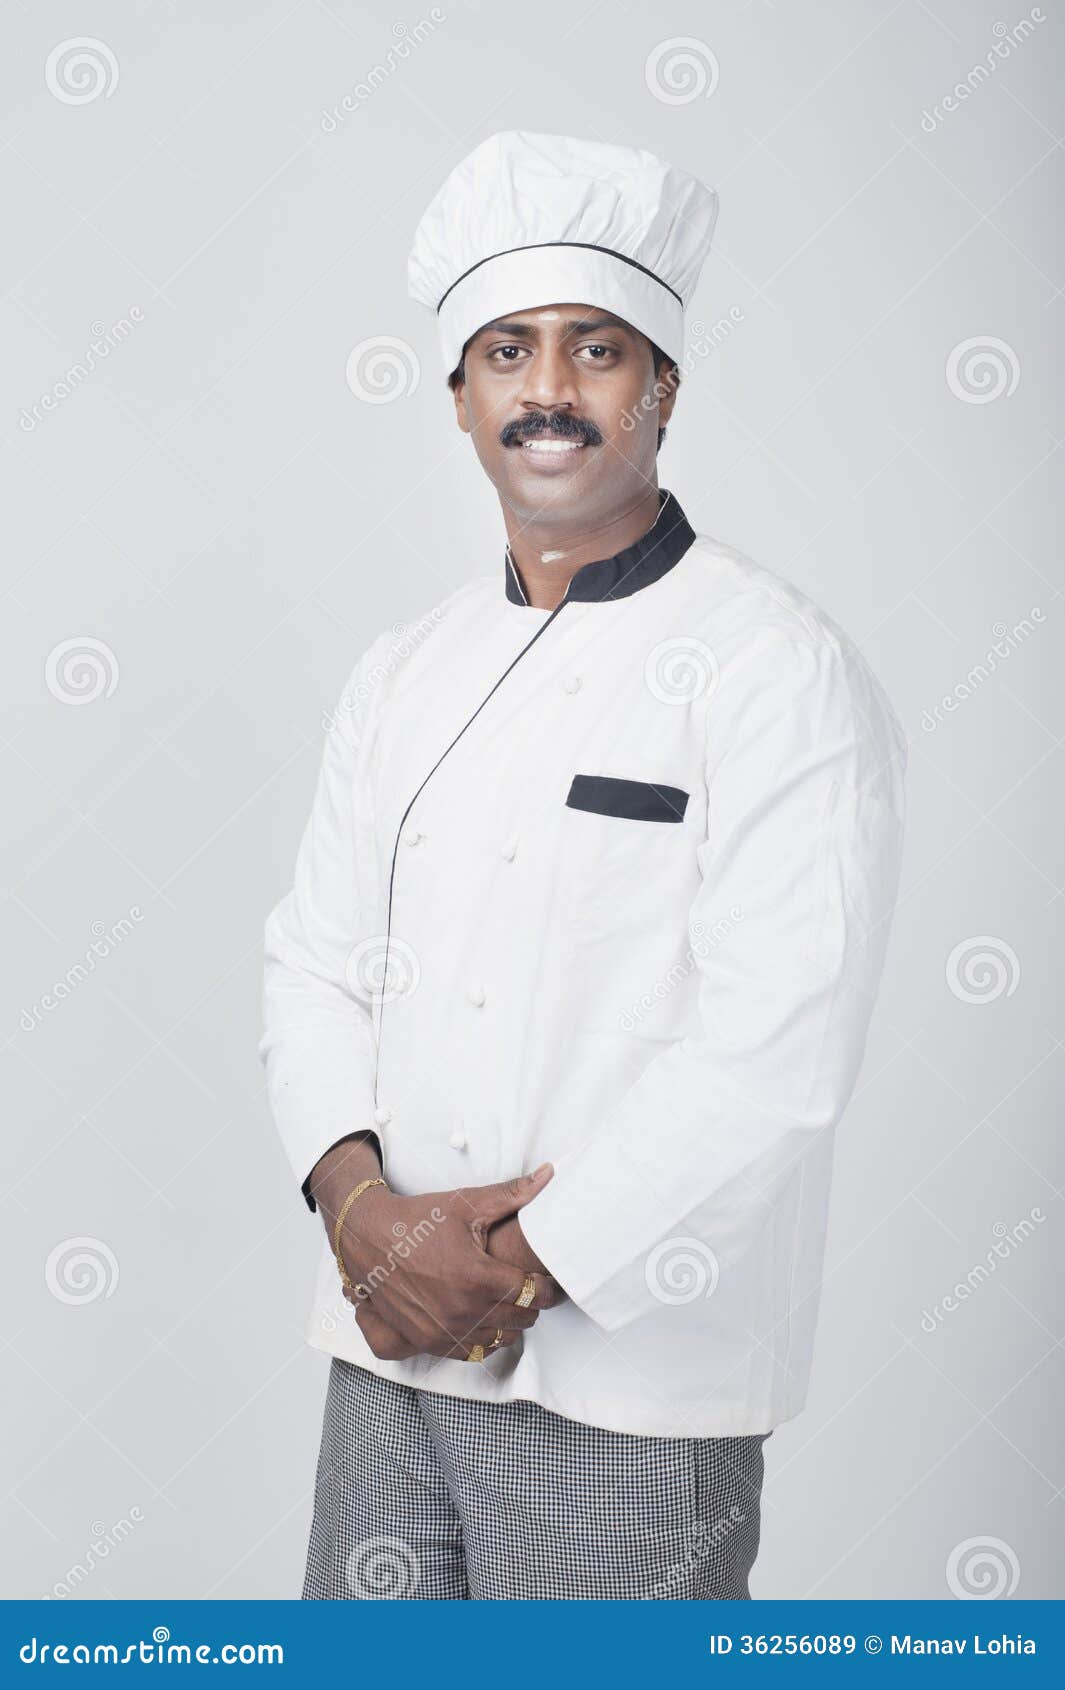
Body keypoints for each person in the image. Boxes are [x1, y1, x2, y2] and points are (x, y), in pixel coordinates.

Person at [258, 130, 908, 1601]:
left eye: (596, 349)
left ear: (660, 386)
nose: (547, 389)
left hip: (628, 1377)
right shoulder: (401, 670)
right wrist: (363, 1214)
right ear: (459, 396)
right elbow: (311, 959)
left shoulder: (773, 669)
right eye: (506, 351)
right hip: (381, 1347)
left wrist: (517, 1264)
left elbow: (777, 1041)